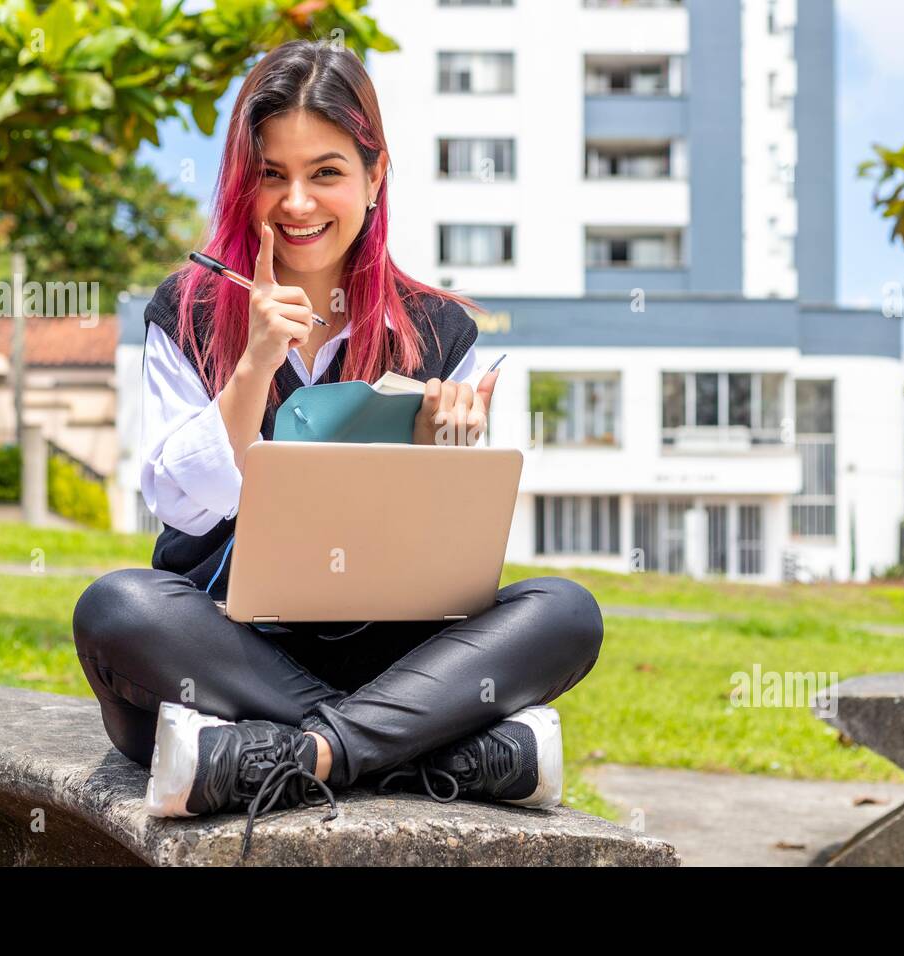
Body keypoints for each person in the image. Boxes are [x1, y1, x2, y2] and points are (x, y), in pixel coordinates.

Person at [71, 40, 604, 852]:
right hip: (228, 655)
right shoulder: (186, 312)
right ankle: (432, 754)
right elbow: (181, 504)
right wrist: (252, 365)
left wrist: (440, 454)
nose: (297, 203)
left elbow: (443, 571)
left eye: (326, 173)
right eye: (272, 176)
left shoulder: (438, 329)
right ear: (242, 183)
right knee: (118, 608)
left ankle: (284, 757)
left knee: (567, 612)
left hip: (381, 659)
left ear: (374, 177)